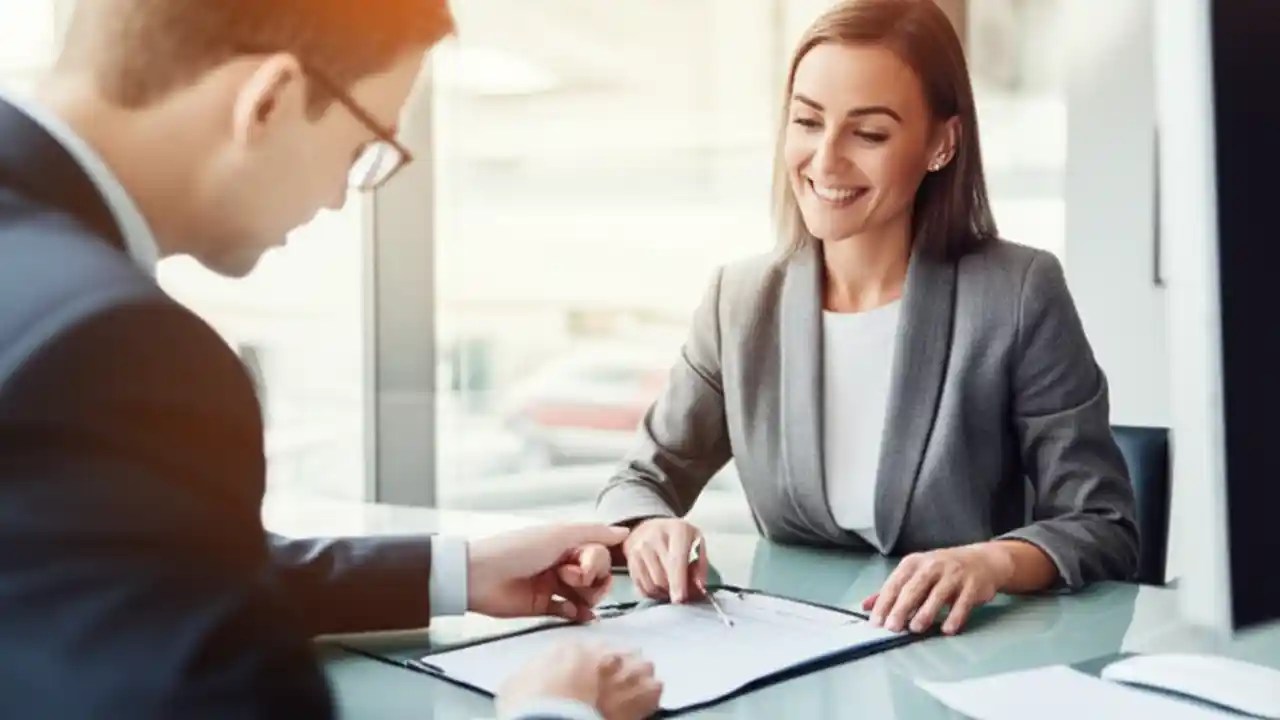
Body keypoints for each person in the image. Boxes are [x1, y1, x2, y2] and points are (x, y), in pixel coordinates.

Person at [0, 1, 658, 719]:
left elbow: (95, 566)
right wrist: (547, 712)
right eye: (362, 149)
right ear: (270, 100)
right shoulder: (112, 345)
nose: (342, 195)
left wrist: (459, 571)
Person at [597, 0, 1139, 637]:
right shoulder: (739, 301)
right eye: (807, 121)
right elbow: (640, 480)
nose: (826, 160)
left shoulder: (1017, 293)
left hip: (960, 654)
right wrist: (649, 528)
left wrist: (993, 562)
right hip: (785, 656)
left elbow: (1103, 524)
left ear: (941, 143)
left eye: (869, 133)